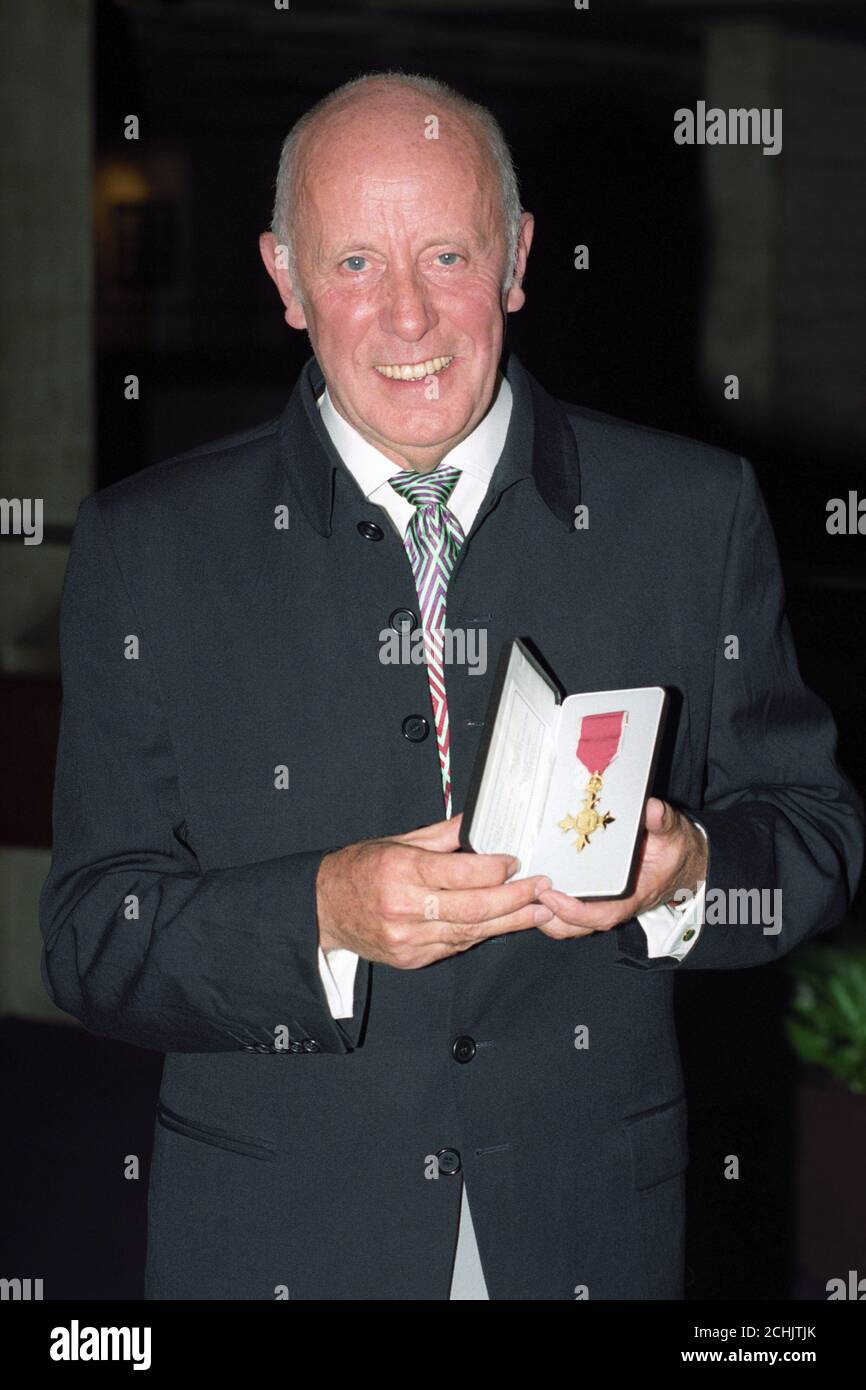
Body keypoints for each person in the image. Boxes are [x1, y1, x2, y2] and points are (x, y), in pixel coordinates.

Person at [40, 71, 863, 1300]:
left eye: (446, 254)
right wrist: (319, 911)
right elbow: (90, 941)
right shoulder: (145, 548)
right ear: (283, 278)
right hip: (277, 1241)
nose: (410, 319)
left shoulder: (690, 517)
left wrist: (687, 877)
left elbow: (814, 839)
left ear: (518, 257)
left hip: (591, 1234)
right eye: (356, 264)